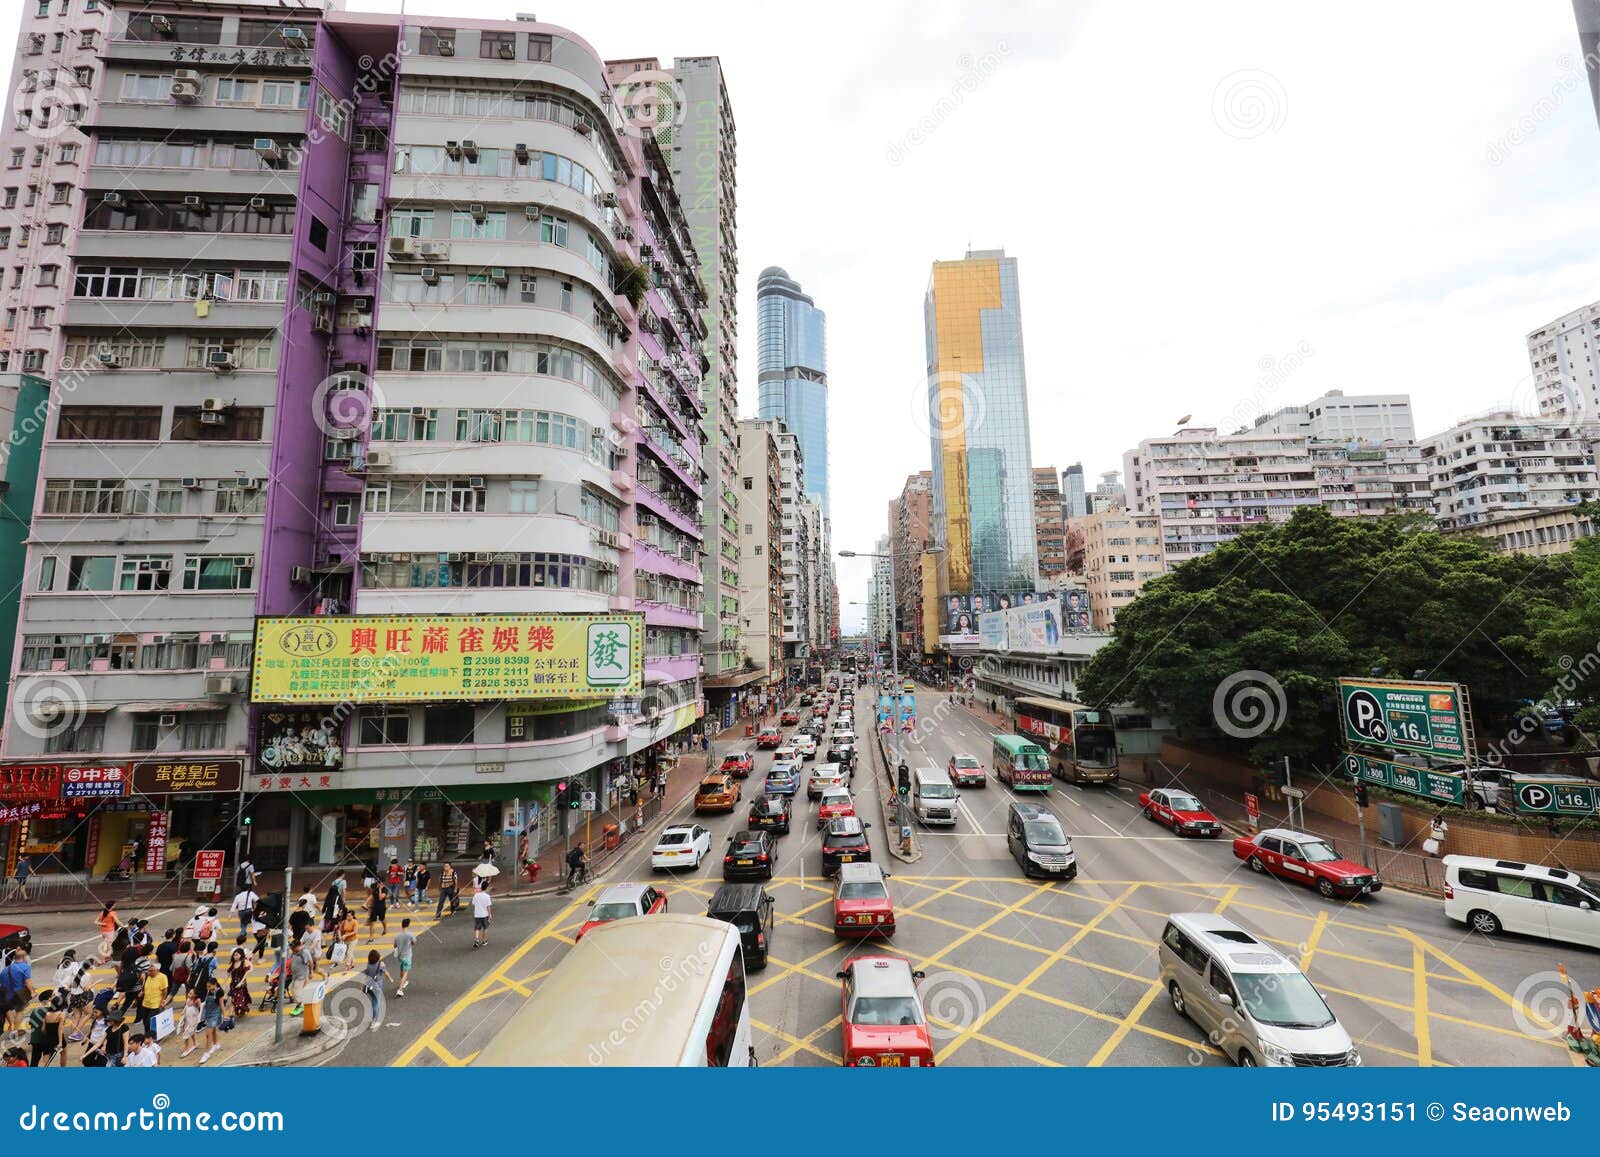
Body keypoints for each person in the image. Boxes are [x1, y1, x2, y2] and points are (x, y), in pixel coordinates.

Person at [1, 948, 36, 1033]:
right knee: (19, 1011)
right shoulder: (25, 967)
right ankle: (15, 1031)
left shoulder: (6, 968)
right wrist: (32, 992)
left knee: (7, 1009)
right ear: (23, 957)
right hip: (19, 994)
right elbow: (27, 981)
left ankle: (11, 1025)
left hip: (6, 994)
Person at [138, 958, 169, 1038]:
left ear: (157, 970)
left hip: (155, 1003)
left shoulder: (162, 977)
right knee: (145, 1021)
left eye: (152, 971)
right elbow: (145, 986)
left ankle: (151, 1036)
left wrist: (163, 1000)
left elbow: (164, 990)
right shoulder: (147, 976)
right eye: (149, 970)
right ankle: (147, 1035)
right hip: (145, 1003)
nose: (149, 972)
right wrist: (142, 992)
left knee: (149, 1021)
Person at [361, 950, 391, 1030]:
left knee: (373, 1001)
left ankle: (373, 1017)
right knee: (375, 1003)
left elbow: (366, 977)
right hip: (377, 987)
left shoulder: (368, 965)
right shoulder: (381, 964)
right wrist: (390, 979)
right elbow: (385, 973)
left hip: (369, 986)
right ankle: (373, 1020)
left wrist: (362, 986)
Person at [196, 978, 223, 1064]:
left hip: (215, 1014)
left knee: (208, 1033)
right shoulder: (208, 991)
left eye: (210, 986)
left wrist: (225, 1015)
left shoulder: (220, 992)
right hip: (208, 1013)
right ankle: (216, 1044)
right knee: (213, 1030)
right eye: (207, 986)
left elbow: (221, 1005)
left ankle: (206, 1053)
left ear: (215, 984)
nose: (208, 988)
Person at [392, 918, 415, 997]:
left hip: (400, 956)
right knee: (406, 972)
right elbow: (414, 942)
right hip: (407, 955)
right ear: (408, 925)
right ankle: (400, 989)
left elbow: (394, 945)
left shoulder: (397, 935)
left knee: (402, 968)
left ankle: (403, 982)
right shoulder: (410, 934)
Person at [227, 947, 250, 1020]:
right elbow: (229, 972)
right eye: (234, 955)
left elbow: (246, 973)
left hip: (241, 984)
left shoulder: (244, 962)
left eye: (237, 955)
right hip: (233, 984)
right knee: (234, 998)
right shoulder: (233, 963)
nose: (235, 956)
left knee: (240, 998)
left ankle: (241, 1009)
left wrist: (241, 982)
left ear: (241, 955)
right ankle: (234, 1012)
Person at [178, 988, 202, 1059]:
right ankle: (195, 1043)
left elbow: (200, 1008)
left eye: (191, 993)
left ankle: (186, 1049)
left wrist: (197, 1002)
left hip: (193, 1020)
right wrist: (183, 1011)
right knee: (192, 1032)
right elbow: (186, 1007)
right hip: (188, 1019)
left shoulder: (197, 1001)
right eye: (189, 993)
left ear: (195, 995)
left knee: (186, 1034)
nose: (189, 994)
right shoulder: (188, 1000)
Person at [94, 901, 119, 966]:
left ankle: (107, 957)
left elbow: (95, 922)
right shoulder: (113, 913)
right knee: (108, 945)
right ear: (112, 906)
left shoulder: (102, 912)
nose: (115, 905)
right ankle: (102, 960)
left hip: (103, 931)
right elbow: (117, 921)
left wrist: (102, 924)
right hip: (110, 931)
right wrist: (123, 926)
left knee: (107, 944)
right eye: (114, 905)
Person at [336, 908, 359, 972]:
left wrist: (346, 935)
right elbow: (339, 930)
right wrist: (340, 936)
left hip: (353, 940)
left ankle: (347, 965)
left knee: (349, 952)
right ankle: (353, 962)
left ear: (353, 916)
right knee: (347, 952)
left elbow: (355, 932)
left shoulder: (355, 922)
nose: (348, 917)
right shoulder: (344, 921)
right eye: (347, 915)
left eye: (349, 916)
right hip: (345, 940)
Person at [471, 884, 492, 949]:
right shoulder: (487, 896)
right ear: (486, 888)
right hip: (484, 914)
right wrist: (490, 914)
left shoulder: (476, 895)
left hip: (477, 914)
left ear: (481, 888)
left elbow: (473, 903)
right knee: (485, 928)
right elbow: (488, 906)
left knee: (477, 928)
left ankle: (476, 939)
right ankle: (484, 941)